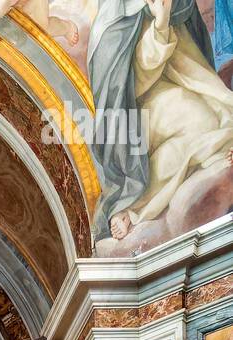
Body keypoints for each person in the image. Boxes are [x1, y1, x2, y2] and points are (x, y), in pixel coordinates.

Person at [89, 0, 233, 240]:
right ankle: (134, 208)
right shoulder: (115, 15)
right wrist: (160, 25)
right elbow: (133, 82)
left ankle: (223, 146)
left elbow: (196, 56)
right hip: (137, 110)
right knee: (201, 122)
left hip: (185, 82)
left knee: (224, 112)